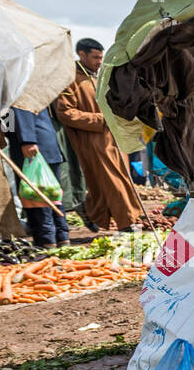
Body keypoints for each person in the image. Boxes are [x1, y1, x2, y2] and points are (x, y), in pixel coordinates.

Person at [54, 38, 144, 233]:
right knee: (112, 179)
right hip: (92, 139)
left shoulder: (97, 76)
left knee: (110, 180)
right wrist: (101, 120)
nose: (99, 61)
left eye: (101, 57)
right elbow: (65, 113)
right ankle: (127, 222)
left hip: (112, 136)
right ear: (81, 54)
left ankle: (89, 210)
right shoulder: (69, 79)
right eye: (95, 57)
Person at [8, 106, 71, 246]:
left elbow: (21, 108)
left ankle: (46, 240)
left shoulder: (18, 87)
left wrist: (27, 140)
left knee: (35, 194)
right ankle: (60, 236)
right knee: (51, 193)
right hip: (43, 142)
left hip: (33, 145)